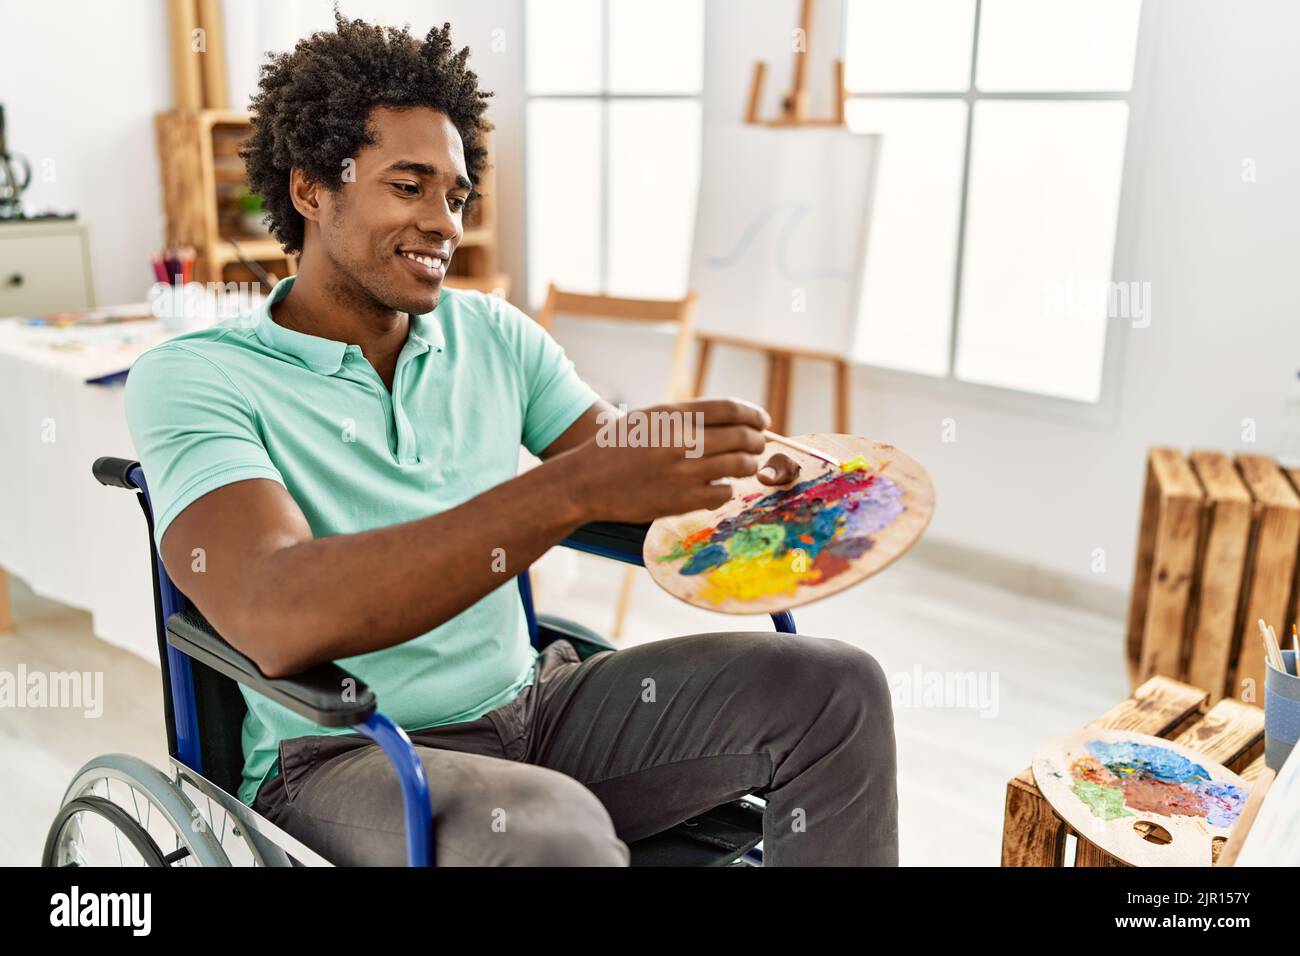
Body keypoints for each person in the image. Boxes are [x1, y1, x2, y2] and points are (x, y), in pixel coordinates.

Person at [124, 11, 897, 866]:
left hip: (536, 704)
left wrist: (741, 471)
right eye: (408, 186)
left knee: (836, 687)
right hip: (348, 751)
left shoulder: (492, 334)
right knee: (547, 830)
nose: (446, 223)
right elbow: (277, 610)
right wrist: (570, 492)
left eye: (456, 197)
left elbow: (621, 459)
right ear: (311, 188)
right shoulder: (197, 376)